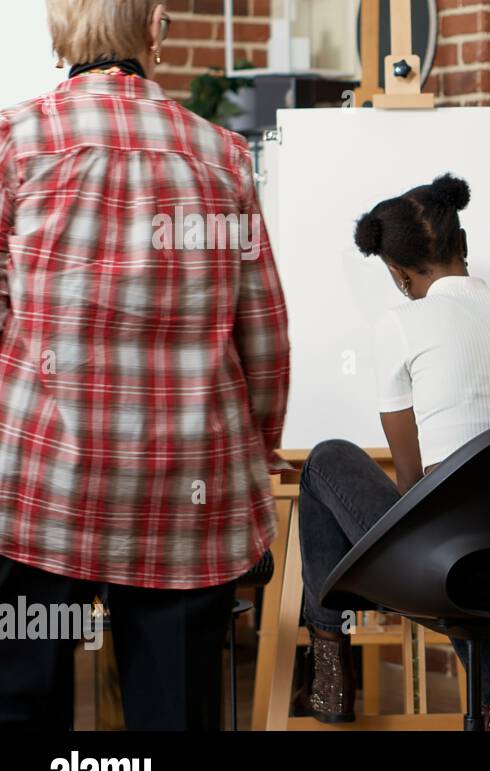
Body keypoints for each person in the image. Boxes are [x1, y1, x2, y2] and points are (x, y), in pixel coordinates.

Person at [0, 1, 291, 729]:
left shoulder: (15, 140)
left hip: (42, 486)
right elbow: (264, 336)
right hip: (187, 491)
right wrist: (258, 452)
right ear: (156, 26)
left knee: (20, 701)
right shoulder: (223, 155)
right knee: (176, 712)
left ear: (58, 35)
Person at [296, 173, 490, 730]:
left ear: (397, 274)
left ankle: (330, 672)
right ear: (463, 245)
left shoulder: (402, 324)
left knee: (326, 459)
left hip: (450, 572)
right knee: (474, 530)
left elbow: (412, 482)